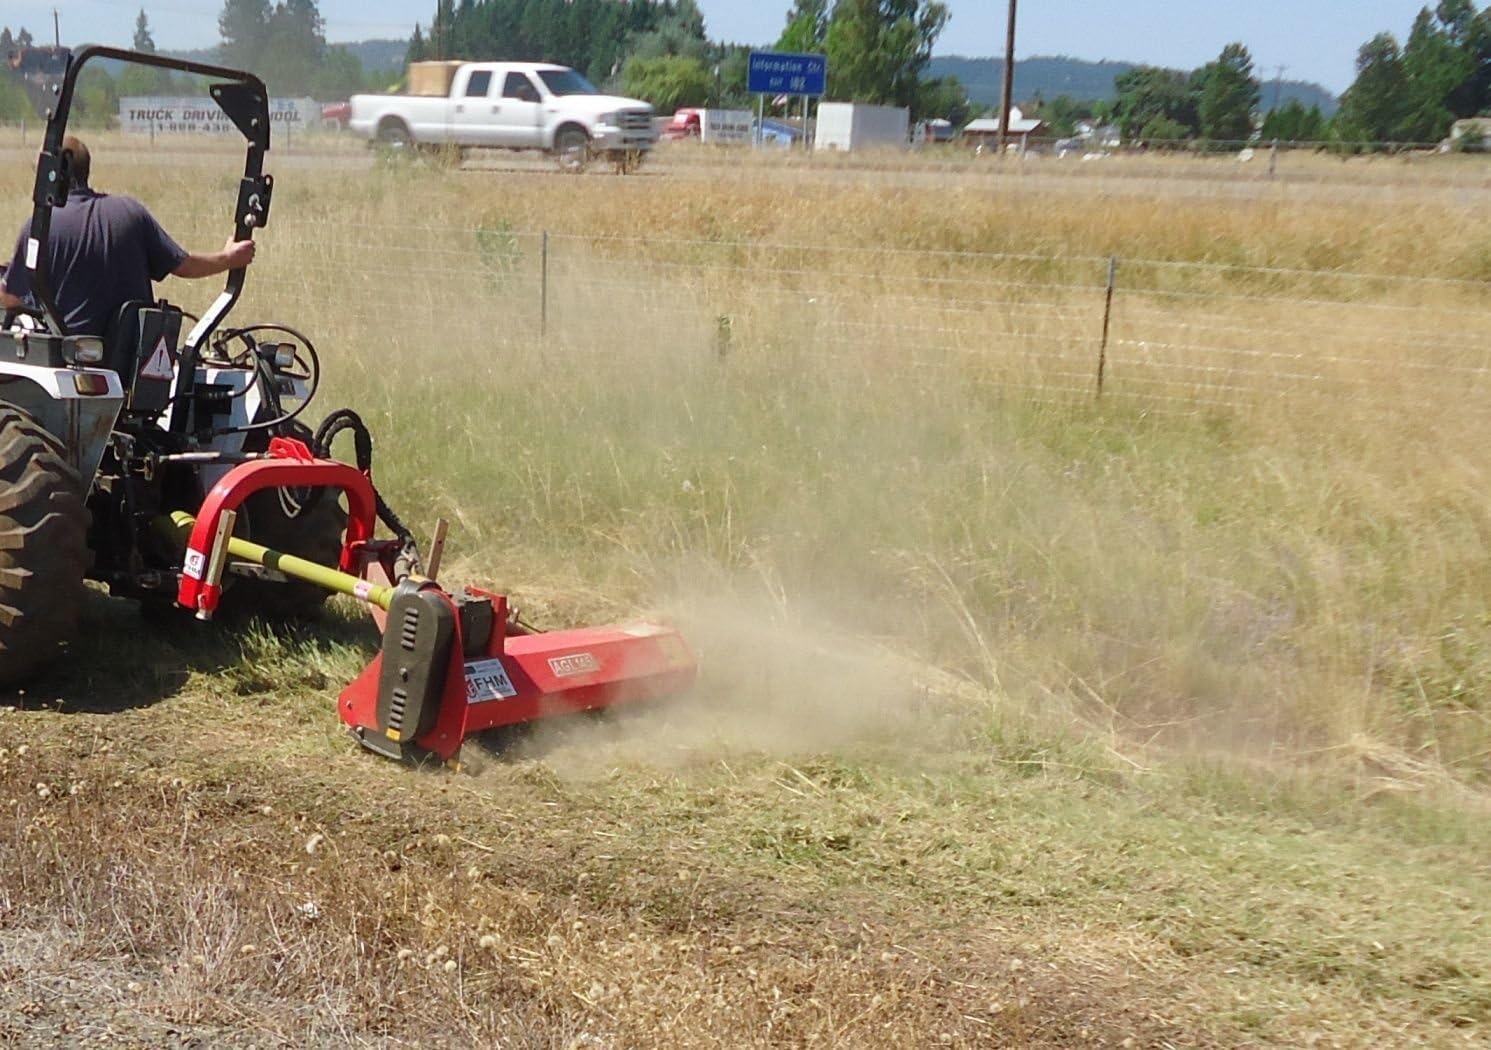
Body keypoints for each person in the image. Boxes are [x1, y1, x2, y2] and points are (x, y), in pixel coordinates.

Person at [0, 135, 256, 337]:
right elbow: (184, 266)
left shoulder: (39, 226)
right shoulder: (130, 212)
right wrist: (228, 258)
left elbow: (12, 300)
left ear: (53, 173)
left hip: (69, 362)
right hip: (130, 360)